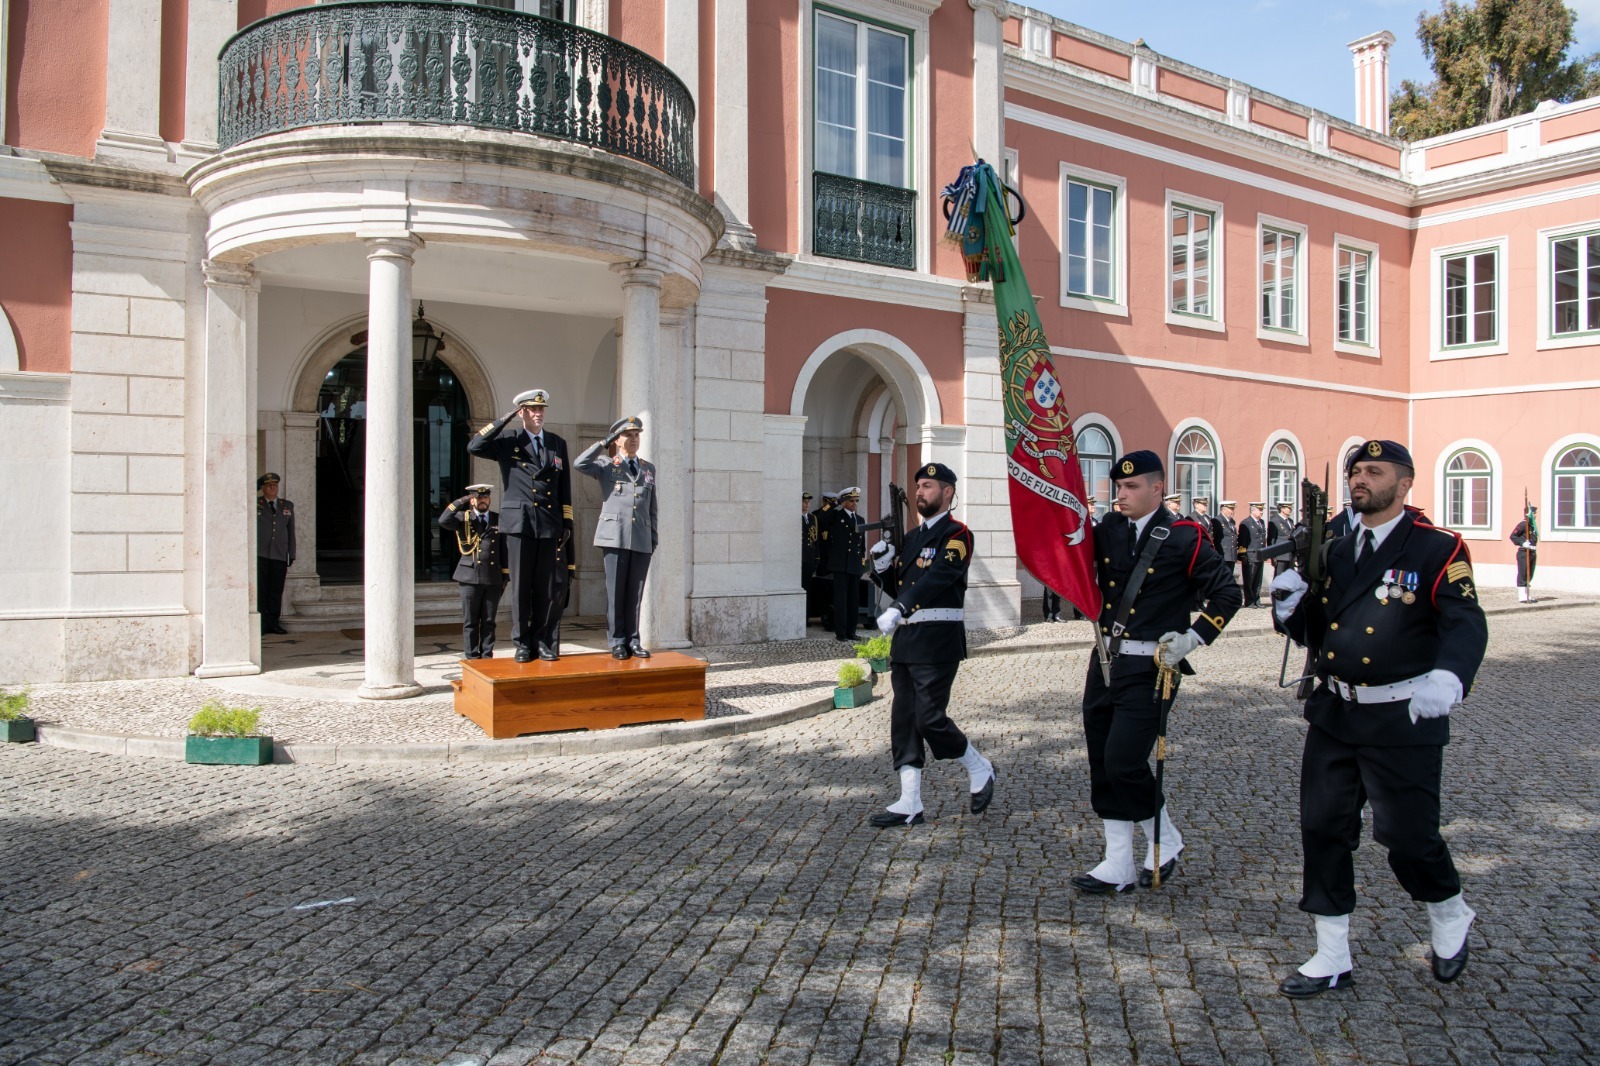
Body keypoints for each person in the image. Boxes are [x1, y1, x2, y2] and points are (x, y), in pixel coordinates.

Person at [1270, 439, 1488, 998]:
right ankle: (1331, 953)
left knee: (1408, 837)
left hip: (1403, 716)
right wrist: (1290, 609)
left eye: (1373, 471)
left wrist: (1451, 675)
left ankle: (1448, 911)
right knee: (1323, 830)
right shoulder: (1337, 548)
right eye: (1355, 472)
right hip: (1336, 712)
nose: (1359, 480)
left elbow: (1465, 620)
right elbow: (1320, 632)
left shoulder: (1436, 547)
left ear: (1405, 482)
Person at [1076, 450, 1242, 893]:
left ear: (1157, 488)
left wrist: (1193, 638)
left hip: (1154, 665)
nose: (1121, 494)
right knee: (1102, 761)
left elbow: (1228, 594)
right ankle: (1118, 863)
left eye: (1131, 487)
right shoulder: (1109, 530)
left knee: (1124, 760)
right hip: (1106, 659)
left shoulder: (1185, 536)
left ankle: (1165, 838)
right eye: (1118, 487)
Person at [867, 463, 995, 827]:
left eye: (927, 486)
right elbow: (901, 586)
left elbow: (940, 577)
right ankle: (910, 802)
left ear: (947, 491)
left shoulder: (958, 534)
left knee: (930, 719)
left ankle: (979, 767)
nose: (920, 492)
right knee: (905, 721)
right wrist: (883, 567)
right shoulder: (911, 538)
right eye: (918, 486)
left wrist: (900, 606)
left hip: (938, 639)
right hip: (907, 640)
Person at [467, 388, 573, 662]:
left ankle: (542, 642)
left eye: (541, 409)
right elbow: (475, 445)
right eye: (532, 409)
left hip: (548, 524)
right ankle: (522, 644)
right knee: (521, 587)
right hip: (519, 523)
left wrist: (567, 521)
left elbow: (564, 486)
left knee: (546, 588)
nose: (538, 414)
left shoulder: (556, 443)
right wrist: (504, 420)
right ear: (522, 412)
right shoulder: (509, 439)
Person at [575, 416, 658, 659]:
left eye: (636, 435)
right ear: (617, 440)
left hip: (641, 537)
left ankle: (633, 640)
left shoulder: (648, 468)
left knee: (635, 593)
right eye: (628, 435)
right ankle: (617, 641)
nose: (634, 439)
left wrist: (653, 537)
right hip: (614, 537)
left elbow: (652, 506)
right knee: (615, 592)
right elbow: (579, 463)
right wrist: (603, 443)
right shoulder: (606, 465)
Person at [437, 484, 508, 659]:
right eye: (478, 497)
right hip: (469, 577)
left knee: (489, 621)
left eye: (485, 497)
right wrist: (461, 501)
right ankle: (472, 656)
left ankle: (487, 656)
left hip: (492, 577)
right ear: (472, 500)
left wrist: (505, 576)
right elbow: (443, 520)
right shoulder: (463, 518)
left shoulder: (498, 519)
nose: (483, 500)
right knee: (471, 621)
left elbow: (504, 549)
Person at [256, 473, 296, 635]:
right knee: (261, 590)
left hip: (279, 554)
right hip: (261, 554)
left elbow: (290, 531)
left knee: (276, 590)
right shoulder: (256, 504)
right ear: (262, 488)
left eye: (275, 485)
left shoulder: (287, 506)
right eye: (268, 485)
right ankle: (261, 624)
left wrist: (291, 553)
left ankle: (273, 622)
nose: (273, 487)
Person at [826, 487, 868, 642]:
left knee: (853, 600)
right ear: (844, 502)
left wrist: (862, 562)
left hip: (854, 565)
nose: (854, 503)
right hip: (840, 564)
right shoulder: (836, 516)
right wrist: (834, 503)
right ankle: (841, 633)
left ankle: (851, 631)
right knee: (841, 600)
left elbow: (862, 545)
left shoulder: (860, 520)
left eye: (856, 500)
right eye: (851, 500)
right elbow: (822, 517)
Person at [1238, 502, 1268, 607]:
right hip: (1250, 555)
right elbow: (1242, 541)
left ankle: (1257, 600)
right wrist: (1242, 556)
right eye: (1260, 510)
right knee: (1249, 579)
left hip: (1260, 555)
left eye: (1262, 510)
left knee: (1258, 580)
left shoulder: (1261, 522)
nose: (1262, 512)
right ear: (1253, 510)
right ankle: (1249, 601)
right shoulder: (1246, 523)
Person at [1510, 505, 1539, 603]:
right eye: (1534, 513)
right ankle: (1522, 596)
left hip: (1532, 552)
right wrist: (1522, 543)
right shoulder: (1523, 524)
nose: (1535, 515)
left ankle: (1527, 595)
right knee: (1523, 574)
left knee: (1529, 574)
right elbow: (1513, 536)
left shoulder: (1532, 526)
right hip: (1524, 552)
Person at [1270, 503, 1296, 577]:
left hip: (1290, 554)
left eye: (1291, 508)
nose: (1290, 510)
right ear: (1282, 509)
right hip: (1280, 555)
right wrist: (1273, 556)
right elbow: (1272, 540)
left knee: (1290, 577)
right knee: (1279, 576)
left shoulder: (1290, 521)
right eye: (1288, 508)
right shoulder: (1275, 521)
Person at [1218, 501, 1240, 585]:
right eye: (1231, 509)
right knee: (1222, 579)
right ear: (1223, 509)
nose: (1233, 511)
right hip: (1223, 554)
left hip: (1231, 554)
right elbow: (1216, 539)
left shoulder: (1231, 522)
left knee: (1229, 578)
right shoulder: (1218, 520)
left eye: (1233, 509)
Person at [801, 492, 819, 591]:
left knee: (808, 586)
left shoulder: (813, 518)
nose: (807, 504)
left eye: (808, 501)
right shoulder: (796, 517)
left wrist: (817, 557)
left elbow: (815, 539)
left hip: (810, 556)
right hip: (800, 556)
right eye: (804, 501)